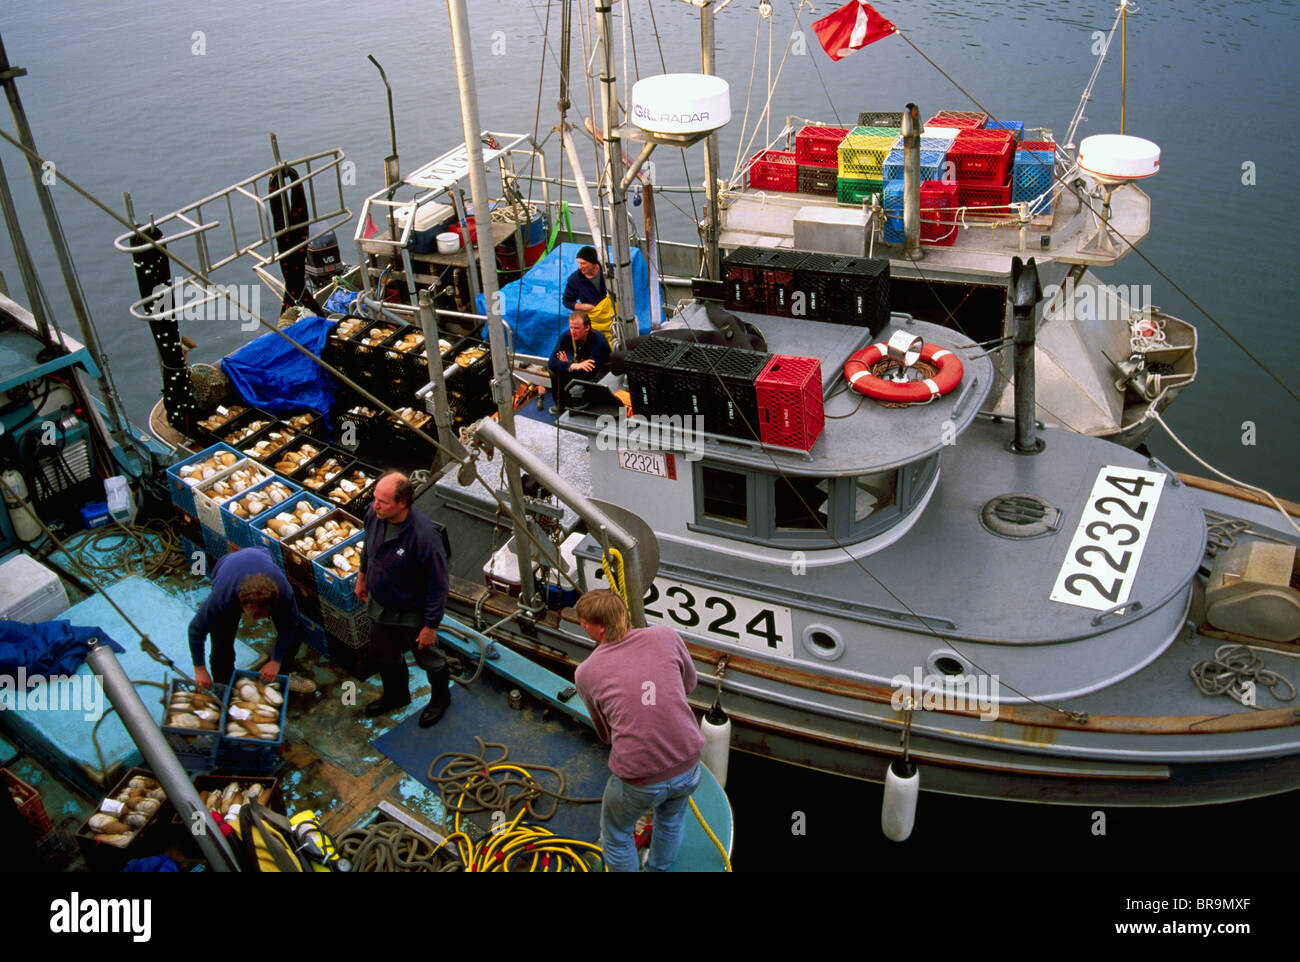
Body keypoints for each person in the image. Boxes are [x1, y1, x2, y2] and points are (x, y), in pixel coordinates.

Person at [573, 589, 705, 872]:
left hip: (639, 779)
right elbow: (688, 684)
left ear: (600, 628)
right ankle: (657, 868)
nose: (581, 625)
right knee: (671, 820)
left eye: (585, 622)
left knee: (617, 834)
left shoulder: (587, 672)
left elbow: (604, 731)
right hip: (689, 763)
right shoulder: (666, 636)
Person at [355, 472, 451, 727]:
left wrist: (430, 625)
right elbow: (368, 548)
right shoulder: (375, 516)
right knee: (383, 653)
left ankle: (441, 699)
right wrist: (362, 576)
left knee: (428, 659)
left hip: (412, 611)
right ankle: (396, 696)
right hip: (382, 603)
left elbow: (438, 584)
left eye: (383, 502)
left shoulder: (424, 537)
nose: (375, 505)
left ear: (402, 503)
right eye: (375, 498)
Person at [188, 546, 315, 693]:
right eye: (256, 615)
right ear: (242, 605)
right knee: (221, 647)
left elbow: (290, 625)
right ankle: (224, 687)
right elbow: (195, 630)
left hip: (260, 555)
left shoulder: (283, 591)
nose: (259, 620)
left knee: (296, 632)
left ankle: (280, 676)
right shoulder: (222, 598)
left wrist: (276, 660)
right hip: (228, 567)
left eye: (265, 614)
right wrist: (200, 669)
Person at [547, 311, 611, 413]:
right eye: (571, 327)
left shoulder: (599, 341)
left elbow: (588, 373)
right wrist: (572, 365)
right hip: (580, 365)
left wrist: (567, 366)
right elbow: (551, 363)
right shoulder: (567, 337)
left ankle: (585, 405)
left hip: (601, 370)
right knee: (553, 371)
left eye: (576, 328)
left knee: (587, 385)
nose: (573, 331)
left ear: (587, 327)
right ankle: (560, 404)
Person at [562, 245, 614, 335]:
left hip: (613, 316)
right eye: (578, 263)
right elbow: (567, 301)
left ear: (593, 263)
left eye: (583, 263)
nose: (580, 267)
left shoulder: (610, 270)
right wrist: (585, 307)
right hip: (594, 320)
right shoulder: (575, 279)